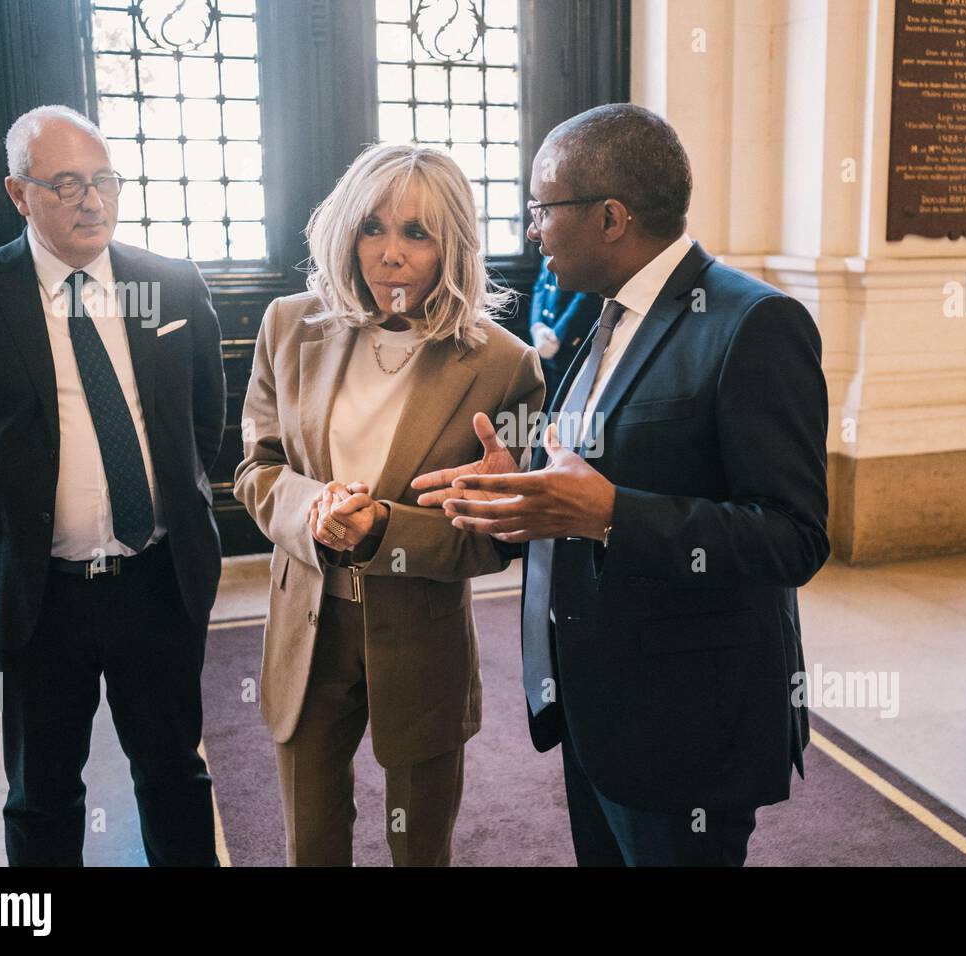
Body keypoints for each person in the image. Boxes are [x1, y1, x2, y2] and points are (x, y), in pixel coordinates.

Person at [413, 104, 830, 866]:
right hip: (598, 709)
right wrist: (524, 493)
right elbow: (597, 476)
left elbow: (793, 535)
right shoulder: (603, 319)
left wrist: (612, 515)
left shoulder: (754, 323)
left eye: (542, 207)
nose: (532, 228)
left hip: (686, 725)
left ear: (610, 216)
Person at [0, 104, 225, 866]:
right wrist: (17, 513)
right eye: (68, 183)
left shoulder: (170, 286)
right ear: (19, 194)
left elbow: (200, 425)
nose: (93, 201)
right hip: (35, 595)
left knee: (175, 775)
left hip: (155, 583)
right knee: (42, 795)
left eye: (106, 181)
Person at [233, 143, 544, 867]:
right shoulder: (288, 326)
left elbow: (498, 538)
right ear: (345, 231)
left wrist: (384, 530)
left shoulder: (506, 366)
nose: (390, 254)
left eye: (417, 232)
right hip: (307, 626)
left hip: (421, 635)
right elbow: (258, 469)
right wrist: (313, 510)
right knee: (311, 845)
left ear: (452, 247)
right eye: (372, 227)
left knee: (418, 848)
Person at [527, 257, 602, 400]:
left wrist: (558, 335)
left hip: (569, 342)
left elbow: (586, 294)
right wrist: (536, 325)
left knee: (562, 402)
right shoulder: (546, 246)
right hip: (542, 336)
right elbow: (540, 286)